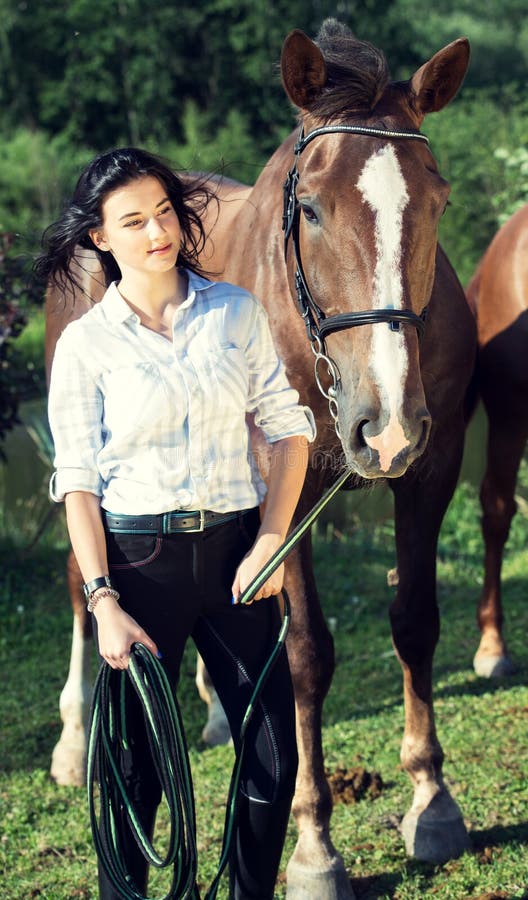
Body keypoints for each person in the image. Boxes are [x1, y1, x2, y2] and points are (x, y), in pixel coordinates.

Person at [37, 147, 315, 900]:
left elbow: (291, 432)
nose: (158, 231)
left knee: (272, 756)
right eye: (134, 220)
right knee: (136, 770)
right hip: (139, 561)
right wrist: (103, 601)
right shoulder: (87, 346)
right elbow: (81, 485)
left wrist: (271, 536)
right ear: (100, 237)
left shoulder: (234, 312)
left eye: (164, 211)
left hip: (236, 554)